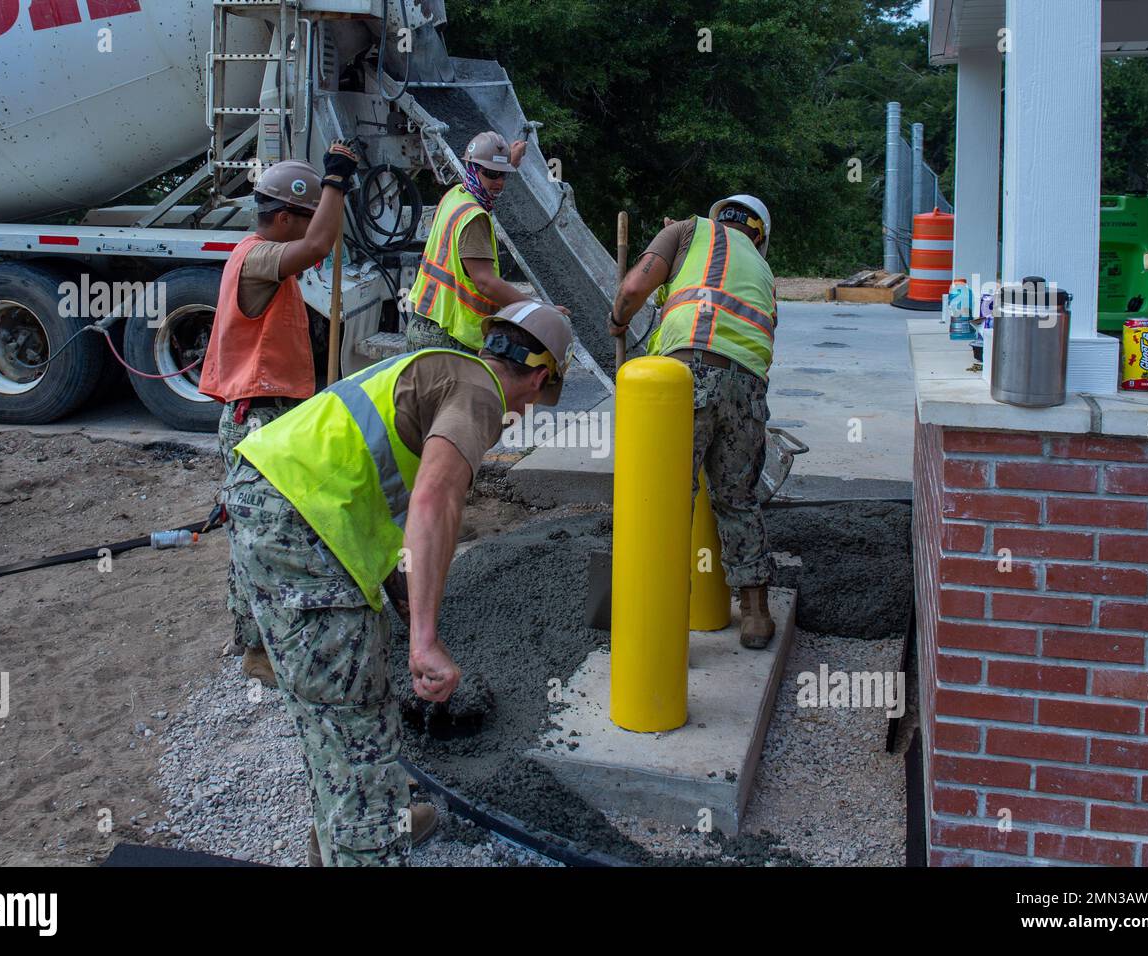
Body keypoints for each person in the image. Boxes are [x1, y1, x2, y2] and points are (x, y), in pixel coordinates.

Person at [226, 300, 575, 866]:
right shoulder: (481, 395)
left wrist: (412, 614)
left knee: (339, 704)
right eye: (537, 396)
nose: (529, 407)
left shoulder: (436, 368)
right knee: (354, 714)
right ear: (538, 377)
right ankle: (364, 838)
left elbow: (391, 509)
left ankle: (344, 831)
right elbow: (436, 499)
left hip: (276, 505)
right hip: (297, 523)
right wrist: (425, 641)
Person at [198, 142, 359, 686]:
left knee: (253, 535)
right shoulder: (257, 256)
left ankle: (254, 644)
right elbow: (318, 245)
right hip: (257, 420)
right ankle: (262, 651)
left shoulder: (262, 261)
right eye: (309, 214)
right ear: (285, 216)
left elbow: (316, 241)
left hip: (269, 416)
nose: (318, 225)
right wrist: (336, 180)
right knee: (268, 537)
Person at [607, 194, 779, 649]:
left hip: (687, 378)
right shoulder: (763, 272)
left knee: (669, 500)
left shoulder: (687, 229)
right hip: (748, 387)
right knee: (738, 498)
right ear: (759, 236)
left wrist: (617, 320)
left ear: (719, 213)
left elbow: (631, 291)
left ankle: (665, 618)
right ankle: (756, 614)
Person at [405, 130, 567, 352]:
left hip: (424, 323)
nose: (499, 182)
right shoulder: (474, 218)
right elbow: (485, 283)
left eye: (504, 174)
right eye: (492, 174)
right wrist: (536, 310)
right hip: (451, 338)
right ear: (473, 170)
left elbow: (487, 172)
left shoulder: (455, 195)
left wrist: (508, 159)